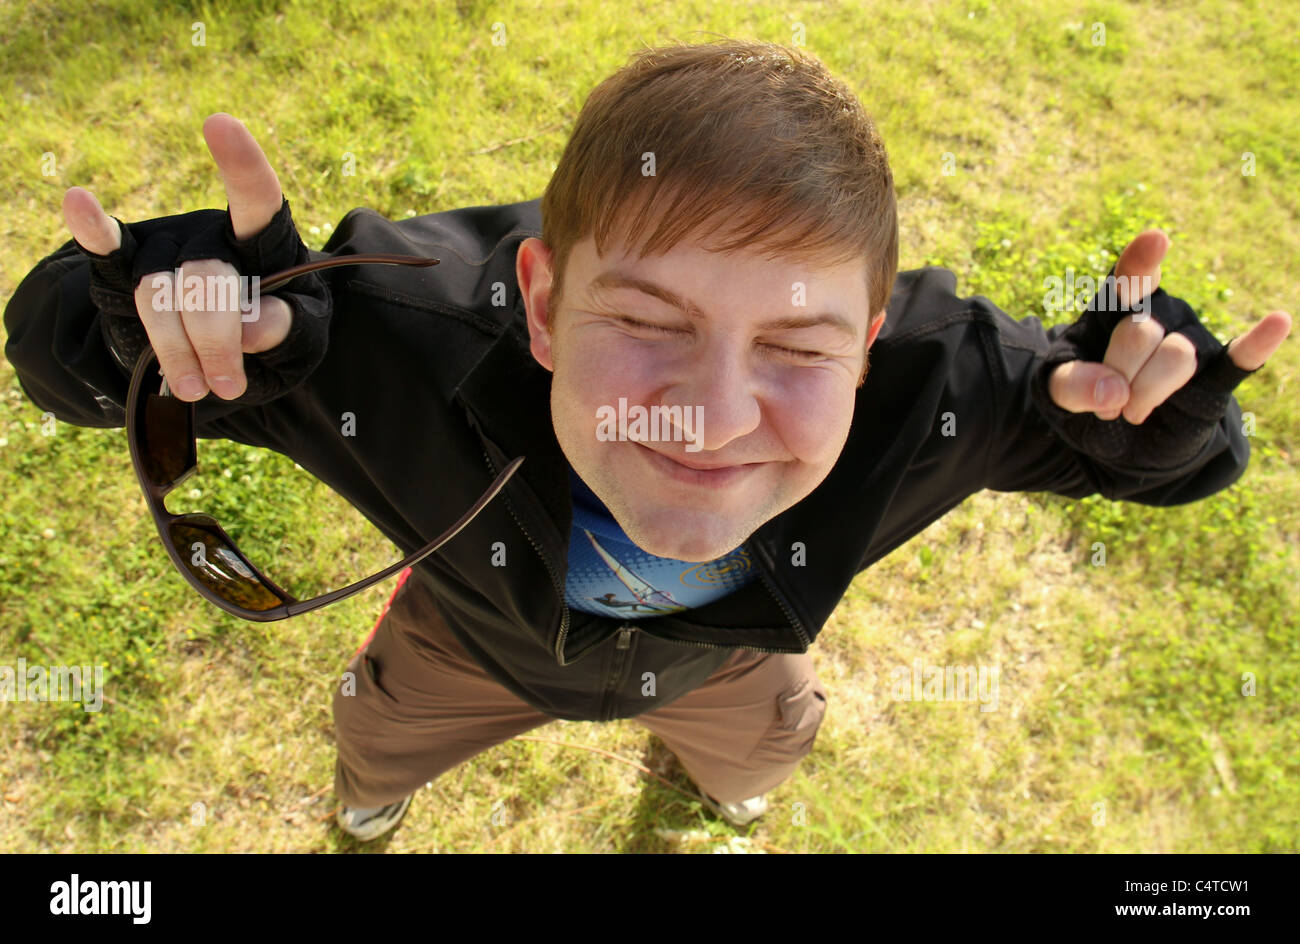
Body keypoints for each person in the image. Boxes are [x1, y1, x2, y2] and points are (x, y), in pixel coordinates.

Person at [4, 39, 1289, 843]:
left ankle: (729, 790)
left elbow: (1169, 460)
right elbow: (57, 351)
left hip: (733, 670)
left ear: (871, 333)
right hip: (470, 642)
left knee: (761, 747)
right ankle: (372, 803)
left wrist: (1165, 423)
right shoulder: (379, 333)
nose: (714, 415)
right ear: (548, 302)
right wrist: (141, 334)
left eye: (794, 348)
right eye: (649, 320)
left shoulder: (938, 382)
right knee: (374, 740)